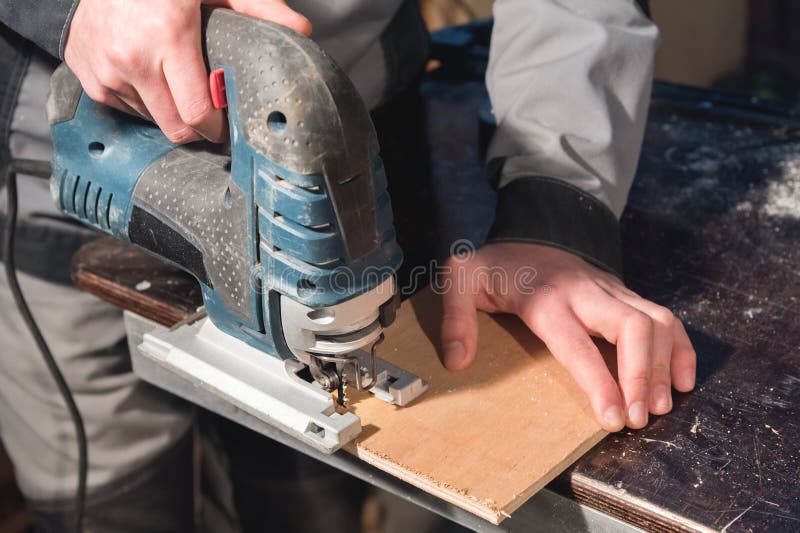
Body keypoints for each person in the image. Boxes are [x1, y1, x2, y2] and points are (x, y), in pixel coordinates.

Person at [0, 0, 696, 530]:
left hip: (347, 110)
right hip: (65, 145)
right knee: (112, 498)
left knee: (307, 504)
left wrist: (555, 208)